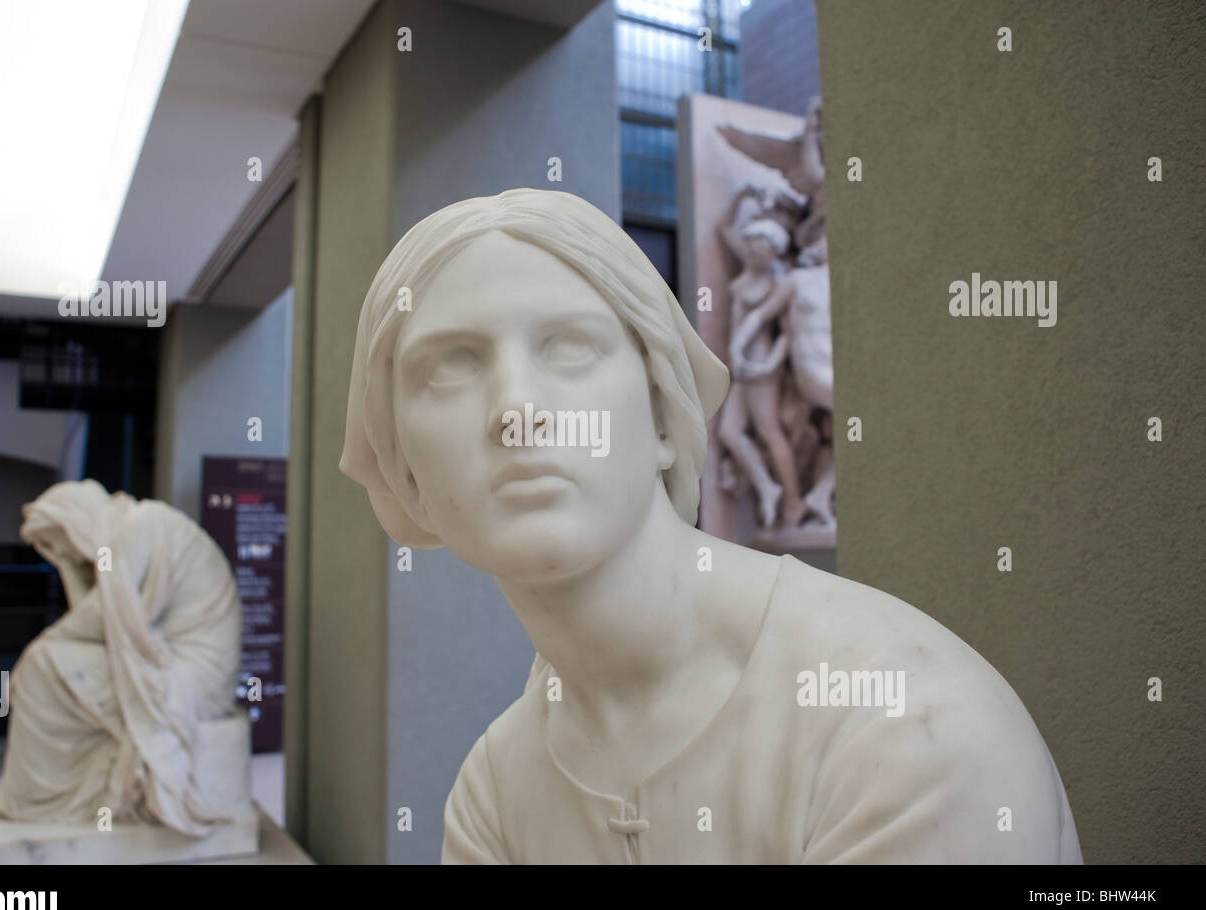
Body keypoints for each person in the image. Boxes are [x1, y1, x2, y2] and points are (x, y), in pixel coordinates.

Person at [341, 187, 1082, 864]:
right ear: (404, 469)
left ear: (665, 413)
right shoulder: (495, 793)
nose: (516, 410)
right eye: (449, 366)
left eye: (569, 348)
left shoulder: (896, 722)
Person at [0, 480, 242, 837]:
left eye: (58, 542)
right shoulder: (126, 532)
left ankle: (31, 800)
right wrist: (70, 564)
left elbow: (98, 619)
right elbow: (107, 621)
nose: (62, 552)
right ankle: (32, 797)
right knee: (47, 659)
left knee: (42, 663)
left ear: (75, 521)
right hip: (173, 658)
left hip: (190, 673)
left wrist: (49, 632)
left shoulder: (135, 528)